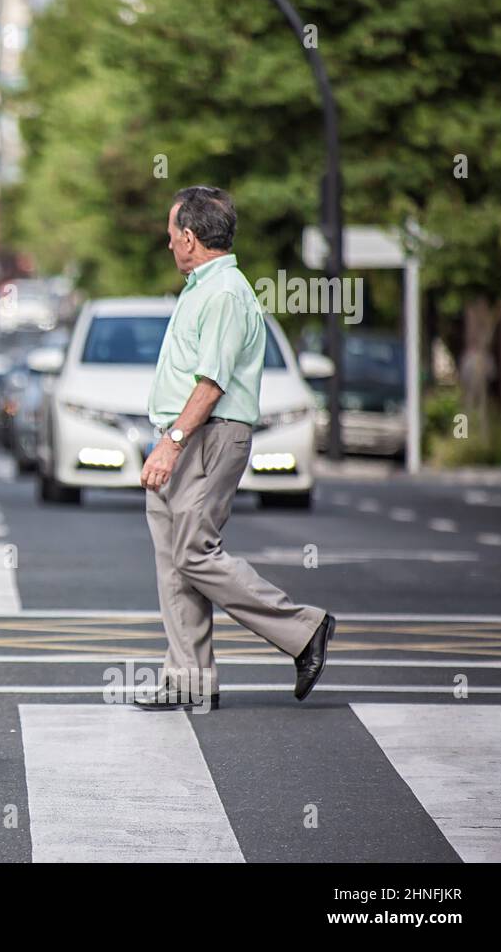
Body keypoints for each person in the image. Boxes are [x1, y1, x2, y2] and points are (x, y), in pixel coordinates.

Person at [135, 185, 335, 711]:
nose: (168, 244)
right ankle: (189, 680)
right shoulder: (203, 286)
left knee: (193, 553)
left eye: (171, 234)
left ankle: (303, 628)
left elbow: (212, 382)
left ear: (191, 237)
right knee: (174, 560)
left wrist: (172, 443)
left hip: (208, 434)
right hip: (190, 435)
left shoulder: (224, 293)